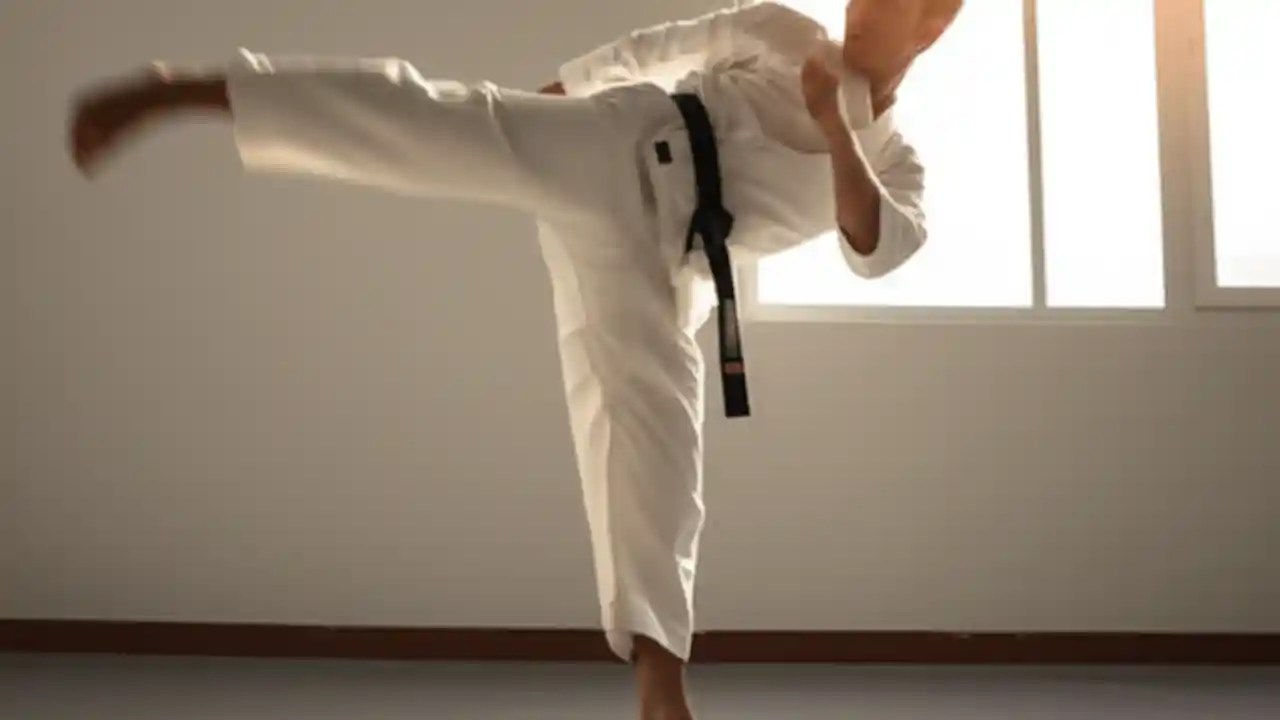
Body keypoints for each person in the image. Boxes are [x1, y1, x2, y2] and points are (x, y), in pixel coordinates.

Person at [67, 1, 964, 717]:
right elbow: (657, 46)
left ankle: (662, 691)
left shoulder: (897, 163)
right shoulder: (784, 29)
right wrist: (557, 95)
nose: (861, 7)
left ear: (934, 24)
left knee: (660, 438)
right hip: (618, 142)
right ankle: (192, 91)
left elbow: (874, 246)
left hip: (665, 260)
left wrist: (835, 126)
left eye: (891, 0)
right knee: (441, 119)